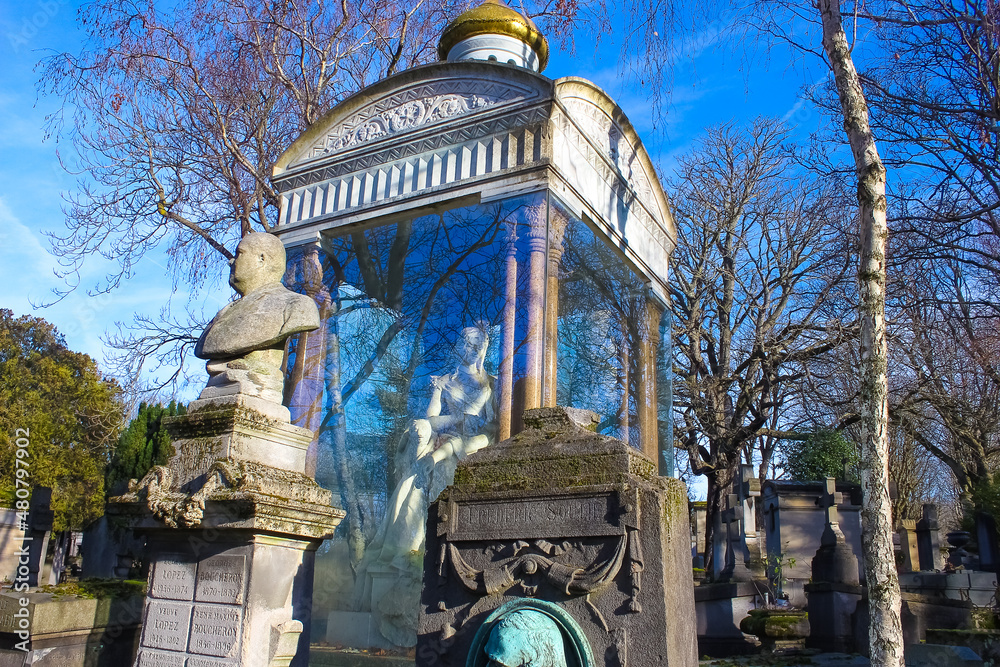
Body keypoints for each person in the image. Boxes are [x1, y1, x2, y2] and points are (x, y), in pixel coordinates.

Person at [352, 326, 497, 644]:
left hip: (470, 445)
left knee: (439, 463)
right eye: (466, 342)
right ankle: (409, 545)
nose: (471, 349)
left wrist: (457, 442)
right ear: (459, 345)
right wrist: (434, 395)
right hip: (441, 438)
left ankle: (426, 542)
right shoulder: (445, 381)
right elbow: (432, 419)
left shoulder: (491, 386)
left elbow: (493, 428)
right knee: (417, 471)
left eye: (477, 344)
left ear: (483, 348)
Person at [194, 232, 320, 404]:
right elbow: (204, 347)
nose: (232, 261)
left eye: (239, 253)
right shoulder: (225, 312)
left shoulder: (296, 306)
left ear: (262, 259)